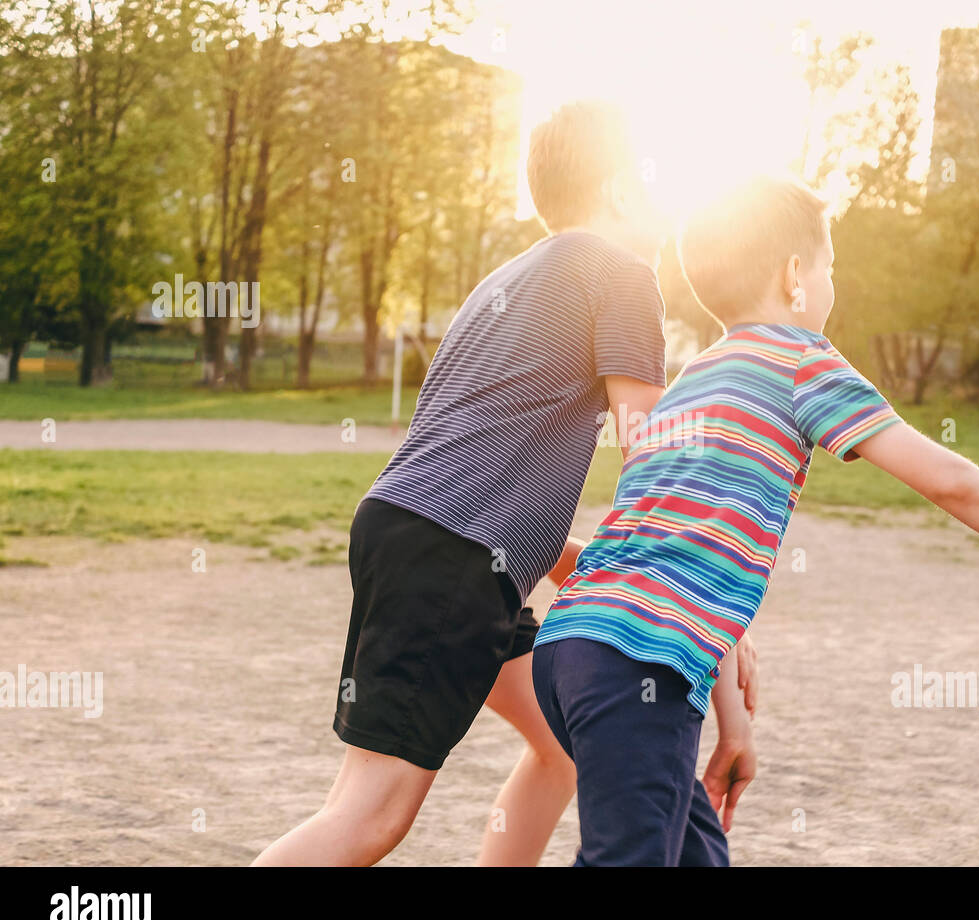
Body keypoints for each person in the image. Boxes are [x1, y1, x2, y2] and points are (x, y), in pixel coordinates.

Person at [254, 101, 754, 867]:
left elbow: (493, 460)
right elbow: (655, 460)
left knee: (563, 744)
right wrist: (715, 597)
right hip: (453, 555)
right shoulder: (622, 272)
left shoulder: (521, 275)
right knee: (371, 815)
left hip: (430, 539)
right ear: (622, 190)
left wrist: (572, 561)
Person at [531, 174, 979, 866]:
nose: (830, 285)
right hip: (639, 665)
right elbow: (950, 480)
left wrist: (732, 727)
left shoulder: (686, 390)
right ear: (795, 275)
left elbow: (684, 570)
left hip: (576, 651)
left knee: (696, 857)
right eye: (830, 268)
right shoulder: (801, 361)